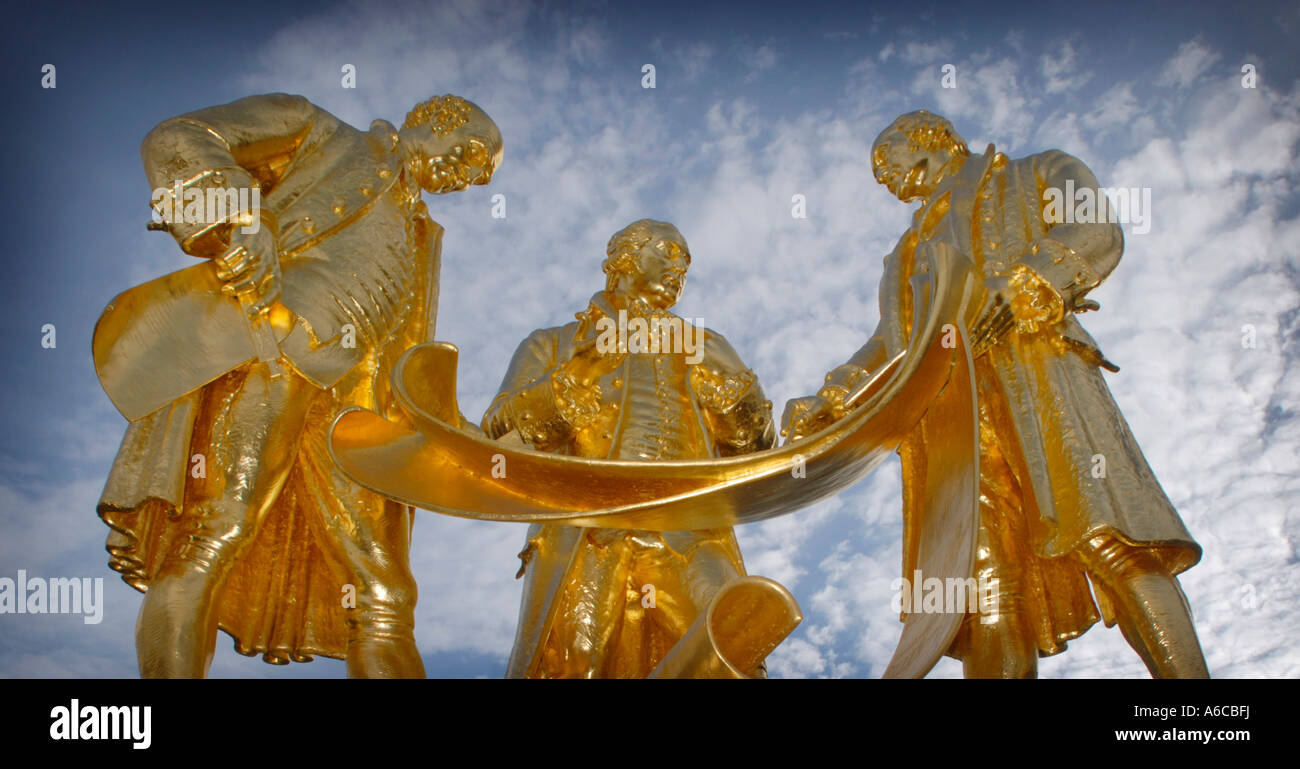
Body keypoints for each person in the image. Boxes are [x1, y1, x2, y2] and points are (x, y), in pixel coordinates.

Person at [783, 110, 1208, 678]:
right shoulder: (904, 255)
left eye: (889, 157)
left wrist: (1027, 283)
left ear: (931, 138)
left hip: (1036, 371)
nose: (885, 178)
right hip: (946, 419)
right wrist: (834, 394)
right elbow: (890, 343)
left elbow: (1096, 230)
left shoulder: (1038, 171)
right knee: (983, 591)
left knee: (1111, 540)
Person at [95, 92, 502, 678]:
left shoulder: (421, 235)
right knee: (218, 528)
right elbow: (177, 136)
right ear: (436, 120)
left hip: (358, 411)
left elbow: (410, 374)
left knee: (386, 592)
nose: (465, 180)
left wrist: (483, 444)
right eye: (467, 156)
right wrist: (242, 220)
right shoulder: (319, 132)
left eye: (477, 176)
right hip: (276, 350)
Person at [483, 219, 786, 678]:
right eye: (667, 251)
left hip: (689, 529)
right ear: (625, 257)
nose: (680, 265)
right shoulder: (554, 343)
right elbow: (499, 438)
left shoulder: (703, 344)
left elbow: (757, 449)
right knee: (576, 661)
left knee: (736, 643)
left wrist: (736, 386)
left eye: (686, 259)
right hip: (589, 529)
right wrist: (574, 378)